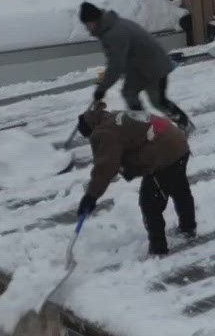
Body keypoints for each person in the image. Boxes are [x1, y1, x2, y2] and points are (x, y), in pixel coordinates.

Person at [76, 107, 194, 257]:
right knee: (179, 188)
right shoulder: (114, 116)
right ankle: (188, 228)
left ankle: (158, 250)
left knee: (149, 203)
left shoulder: (104, 132)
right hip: (178, 142)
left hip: (165, 154)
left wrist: (90, 196)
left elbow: (105, 167)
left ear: (91, 129)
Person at [80, 1, 190, 128]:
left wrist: (102, 89)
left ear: (94, 20)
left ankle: (183, 123)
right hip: (140, 68)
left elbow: (116, 65)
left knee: (158, 101)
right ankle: (143, 126)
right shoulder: (111, 25)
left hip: (154, 67)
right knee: (129, 93)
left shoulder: (113, 33)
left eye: (87, 24)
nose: (87, 28)